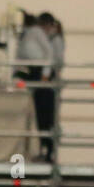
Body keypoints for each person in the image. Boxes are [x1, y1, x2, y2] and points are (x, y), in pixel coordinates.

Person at [17, 13, 59, 163]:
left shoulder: (35, 32)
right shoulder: (31, 33)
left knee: (44, 115)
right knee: (42, 115)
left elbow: (48, 54)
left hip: (41, 74)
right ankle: (45, 150)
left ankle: (48, 150)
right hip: (36, 73)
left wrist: (45, 75)